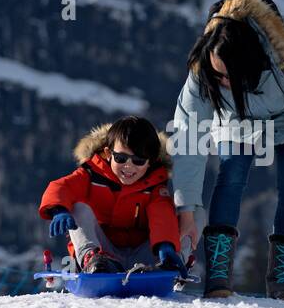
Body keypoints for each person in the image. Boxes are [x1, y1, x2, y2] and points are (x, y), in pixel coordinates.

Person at [170, 0, 284, 300]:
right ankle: (218, 276)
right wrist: (186, 210)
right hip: (236, 118)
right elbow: (188, 136)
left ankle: (282, 279)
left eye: (229, 76)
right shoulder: (203, 72)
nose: (222, 81)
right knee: (231, 175)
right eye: (216, 74)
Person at [38, 116, 184, 274]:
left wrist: (165, 244)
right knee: (78, 207)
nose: (128, 166)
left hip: (145, 255)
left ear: (151, 161)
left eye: (139, 161)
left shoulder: (155, 183)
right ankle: (91, 259)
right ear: (108, 153)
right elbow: (62, 186)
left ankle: (168, 264)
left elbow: (161, 215)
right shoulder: (92, 174)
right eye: (121, 158)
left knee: (186, 215)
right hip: (104, 253)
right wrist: (59, 210)